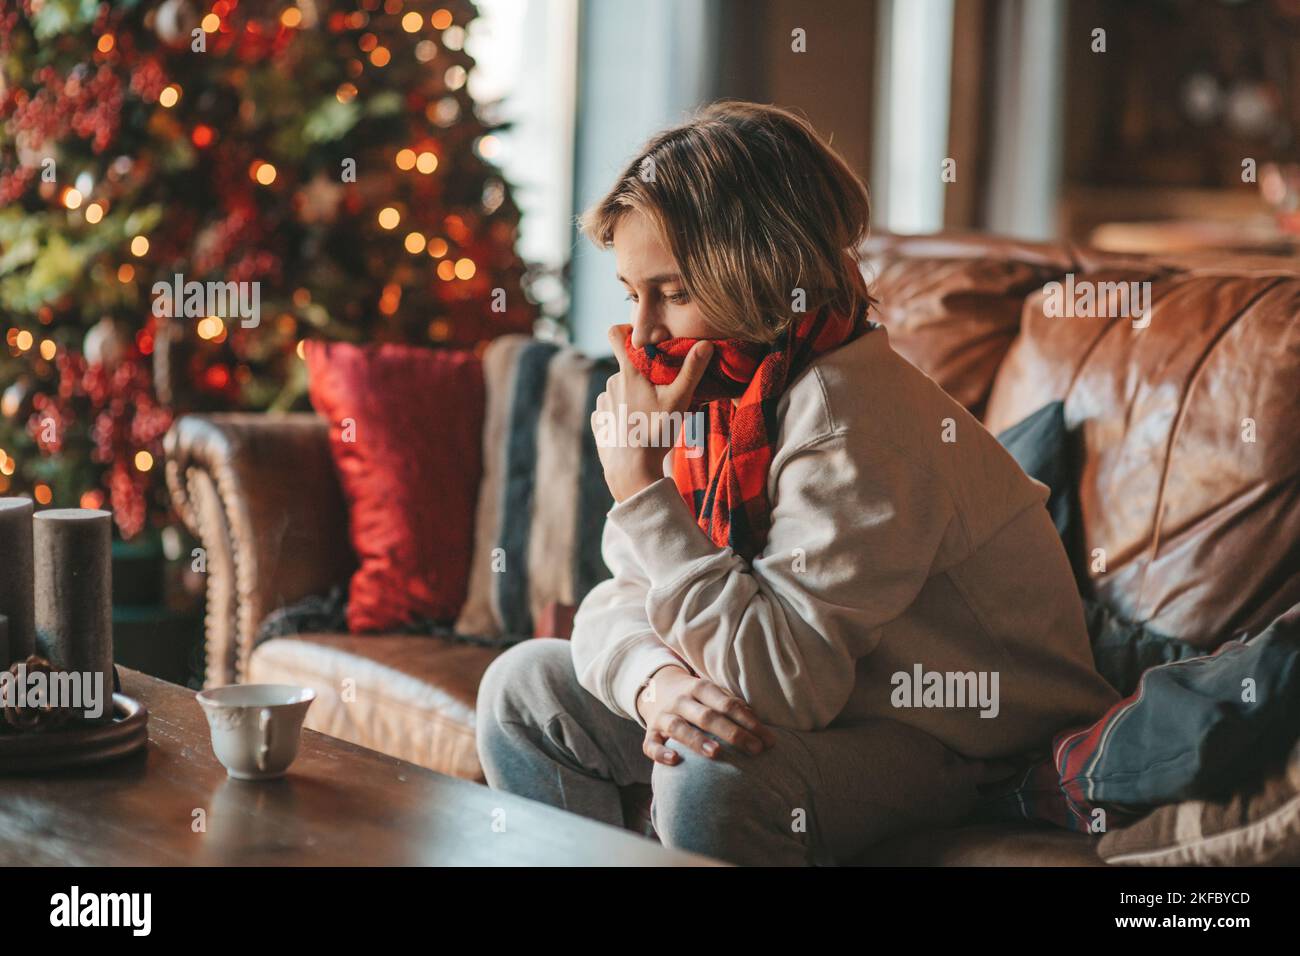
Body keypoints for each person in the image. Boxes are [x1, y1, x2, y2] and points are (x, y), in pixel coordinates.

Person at [476, 100, 1118, 866]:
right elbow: (622, 597)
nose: (642, 333)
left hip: (962, 740)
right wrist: (656, 687)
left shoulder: (852, 425)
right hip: (825, 704)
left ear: (761, 272)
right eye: (630, 293)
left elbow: (785, 685)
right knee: (522, 690)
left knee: (711, 778)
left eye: (672, 293)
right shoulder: (726, 398)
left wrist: (641, 489)